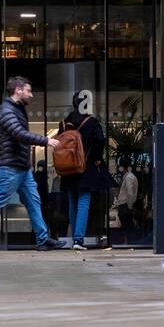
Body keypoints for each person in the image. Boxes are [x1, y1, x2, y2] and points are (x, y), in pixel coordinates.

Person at [0, 76, 66, 250]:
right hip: (10, 167)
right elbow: (18, 133)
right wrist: (46, 140)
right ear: (18, 90)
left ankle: (43, 239)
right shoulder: (7, 110)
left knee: (33, 202)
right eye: (28, 91)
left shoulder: (17, 109)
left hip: (21, 167)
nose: (31, 95)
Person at [57, 94, 109, 250]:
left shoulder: (64, 124)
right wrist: (97, 157)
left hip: (68, 168)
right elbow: (100, 140)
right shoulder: (91, 122)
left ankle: (75, 238)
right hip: (85, 167)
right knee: (83, 200)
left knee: (72, 202)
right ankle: (78, 240)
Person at [114, 160, 138, 243]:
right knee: (126, 226)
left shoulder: (129, 177)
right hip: (125, 204)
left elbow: (130, 192)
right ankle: (128, 242)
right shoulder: (127, 177)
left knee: (127, 225)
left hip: (125, 204)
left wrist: (130, 206)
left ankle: (129, 242)